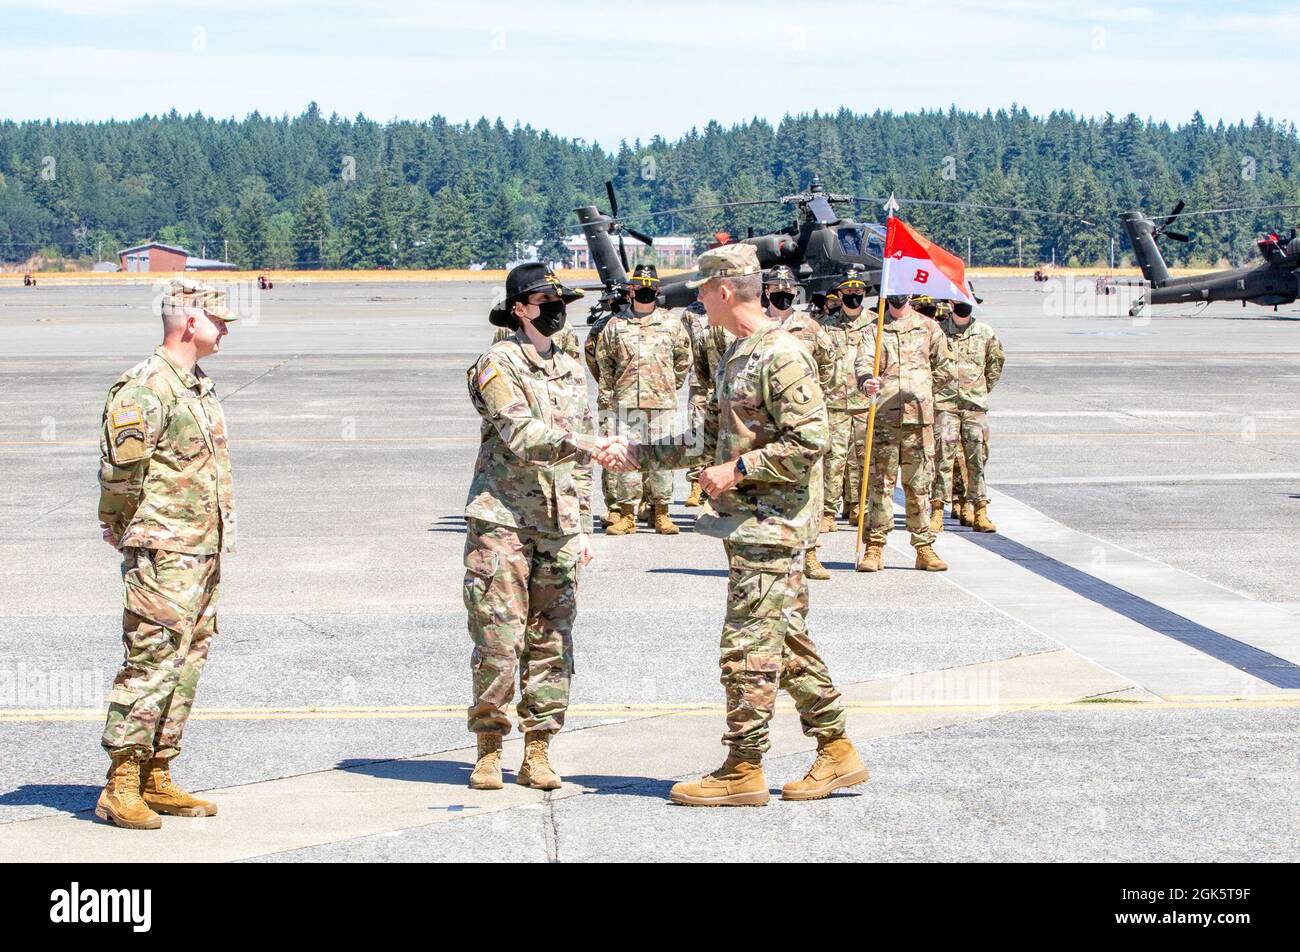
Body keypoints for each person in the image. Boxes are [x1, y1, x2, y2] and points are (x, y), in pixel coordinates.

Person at [599, 244, 867, 807]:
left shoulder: (781, 355)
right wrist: (639, 454)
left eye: (701, 290)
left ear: (724, 291)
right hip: (749, 525)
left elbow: (810, 441)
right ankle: (838, 751)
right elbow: (708, 438)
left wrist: (740, 468)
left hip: (773, 527)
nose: (694, 299)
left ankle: (743, 769)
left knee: (747, 648)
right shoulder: (738, 354)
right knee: (787, 644)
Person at [94, 278, 238, 830]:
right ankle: (121, 782)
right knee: (151, 662)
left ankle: (157, 770)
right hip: (163, 550)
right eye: (218, 319)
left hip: (201, 549)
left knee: (187, 661)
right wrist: (122, 524)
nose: (225, 328)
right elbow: (121, 473)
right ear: (189, 322)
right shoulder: (144, 388)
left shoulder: (195, 385)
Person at [464, 262, 601, 791]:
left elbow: (580, 461)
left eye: (560, 300)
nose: (557, 309)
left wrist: (584, 525)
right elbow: (521, 433)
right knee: (498, 640)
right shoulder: (497, 364)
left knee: (552, 642)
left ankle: (539, 749)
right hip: (503, 522)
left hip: (559, 525)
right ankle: (489, 748)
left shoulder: (569, 366)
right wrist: (585, 444)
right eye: (545, 300)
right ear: (520, 308)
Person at [854, 294, 955, 572]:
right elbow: (862, 364)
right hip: (885, 418)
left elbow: (945, 367)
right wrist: (868, 382)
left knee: (919, 485)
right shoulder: (873, 330)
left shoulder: (928, 327)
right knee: (880, 485)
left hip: (918, 420)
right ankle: (874, 547)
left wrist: (922, 388)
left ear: (909, 295)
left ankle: (924, 547)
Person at [594, 264, 691, 536]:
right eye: (640, 287)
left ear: (657, 290)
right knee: (627, 459)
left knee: (661, 459)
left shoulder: (671, 324)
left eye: (650, 288)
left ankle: (661, 512)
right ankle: (627, 515)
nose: (645, 291)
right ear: (631, 290)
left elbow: (683, 360)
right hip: (625, 403)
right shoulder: (616, 325)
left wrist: (669, 384)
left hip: (661, 403)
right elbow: (605, 363)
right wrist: (611, 397)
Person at [765, 265, 836, 581]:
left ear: (795, 292)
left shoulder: (810, 327)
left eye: (787, 289)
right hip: (766, 424)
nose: (782, 293)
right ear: (766, 291)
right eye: (775, 288)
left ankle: (809, 553)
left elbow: (829, 365)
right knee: (767, 488)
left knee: (810, 490)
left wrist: (812, 398)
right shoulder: (755, 328)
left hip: (801, 423)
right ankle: (772, 553)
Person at [933, 300, 1005, 533]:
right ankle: (937, 511)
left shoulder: (985, 332)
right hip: (945, 405)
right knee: (943, 458)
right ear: (951, 304)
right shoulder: (938, 332)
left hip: (974, 406)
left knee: (977, 459)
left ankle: (979, 510)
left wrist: (980, 390)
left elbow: (995, 364)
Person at [819, 268, 873, 530]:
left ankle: (860, 507)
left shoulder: (877, 324)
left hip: (866, 403)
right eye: (848, 291)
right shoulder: (826, 327)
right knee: (834, 459)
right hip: (835, 402)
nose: (854, 295)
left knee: (865, 459)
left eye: (858, 291)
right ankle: (829, 510)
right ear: (839, 294)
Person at [583, 284, 630, 527]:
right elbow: (594, 362)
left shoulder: (637, 324)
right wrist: (606, 385)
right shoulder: (600, 328)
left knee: (645, 450)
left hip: (637, 398)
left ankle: (645, 505)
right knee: (612, 453)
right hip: (611, 400)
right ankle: (615, 507)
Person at [681, 299, 732, 508]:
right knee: (697, 433)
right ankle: (695, 484)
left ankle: (717, 487)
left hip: (725, 385)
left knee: (722, 436)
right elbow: (686, 349)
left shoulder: (727, 311)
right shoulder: (689, 314)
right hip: (699, 382)